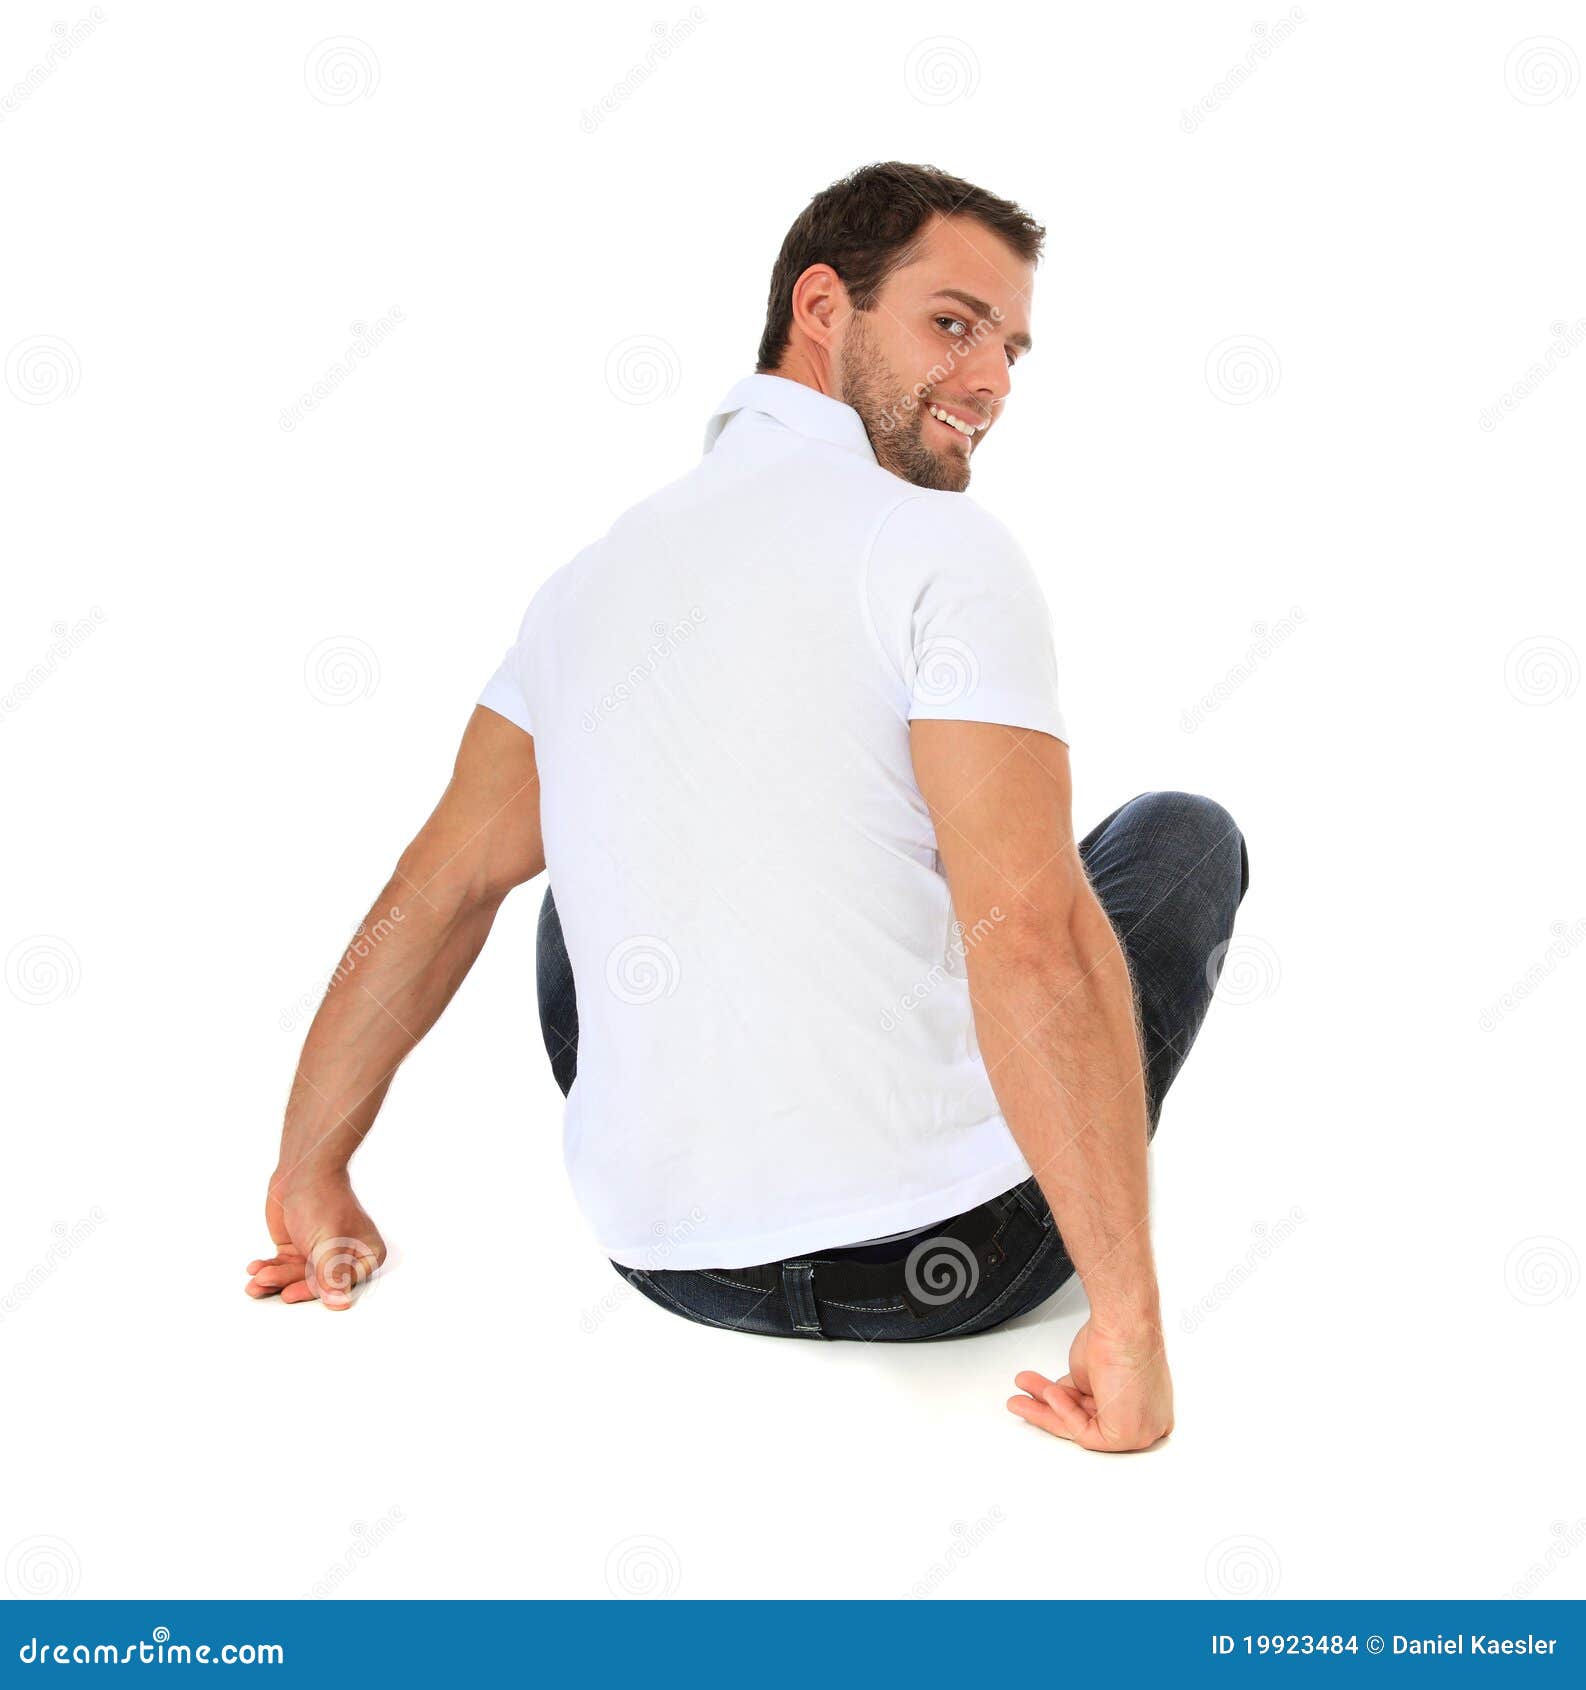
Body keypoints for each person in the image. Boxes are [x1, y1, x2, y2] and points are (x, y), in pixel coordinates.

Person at [245, 162, 1249, 1453]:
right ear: (821, 305)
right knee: (1173, 835)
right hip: (952, 1257)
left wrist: (310, 1172)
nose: (992, 380)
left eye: (1009, 347)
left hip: (668, 1259)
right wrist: (1126, 1324)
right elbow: (1030, 929)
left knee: (585, 861)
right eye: (953, 323)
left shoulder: (587, 585)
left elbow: (433, 892)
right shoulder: (939, 548)